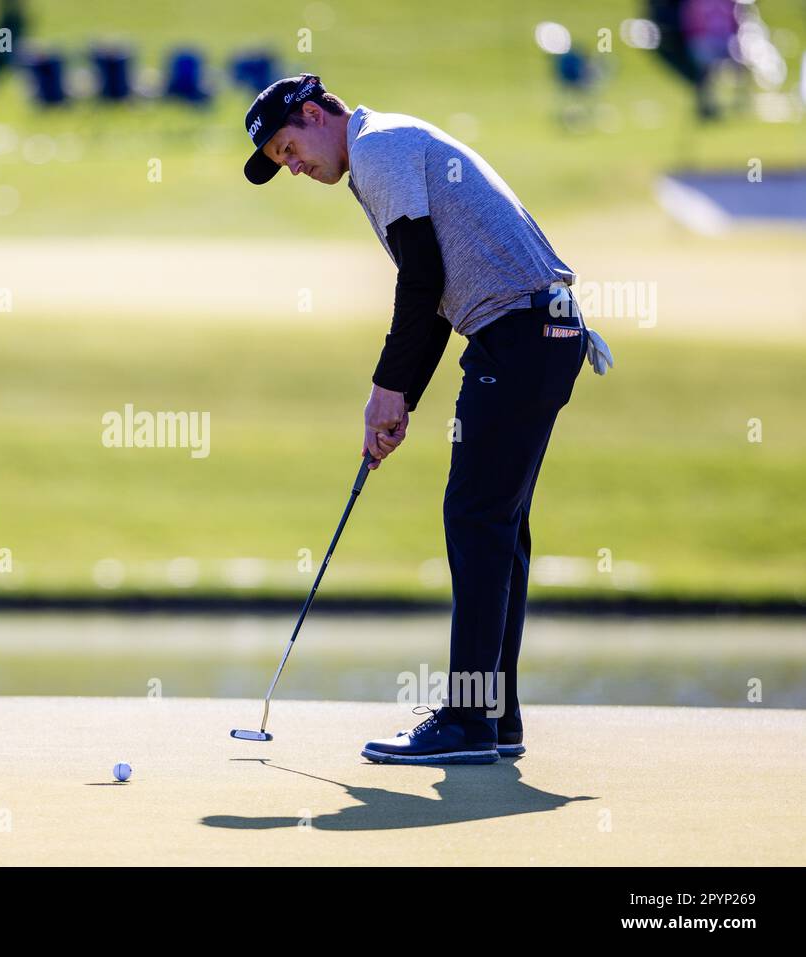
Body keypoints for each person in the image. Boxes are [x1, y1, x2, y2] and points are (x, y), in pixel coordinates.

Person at [242, 74, 610, 765]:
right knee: (497, 522)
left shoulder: (377, 148)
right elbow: (437, 291)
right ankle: (495, 717)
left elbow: (419, 279)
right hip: (539, 335)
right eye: (282, 163)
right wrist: (401, 399)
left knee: (476, 517)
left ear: (317, 114)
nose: (293, 167)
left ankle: (469, 721)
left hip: (521, 334)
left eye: (290, 149)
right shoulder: (387, 146)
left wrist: (386, 388)